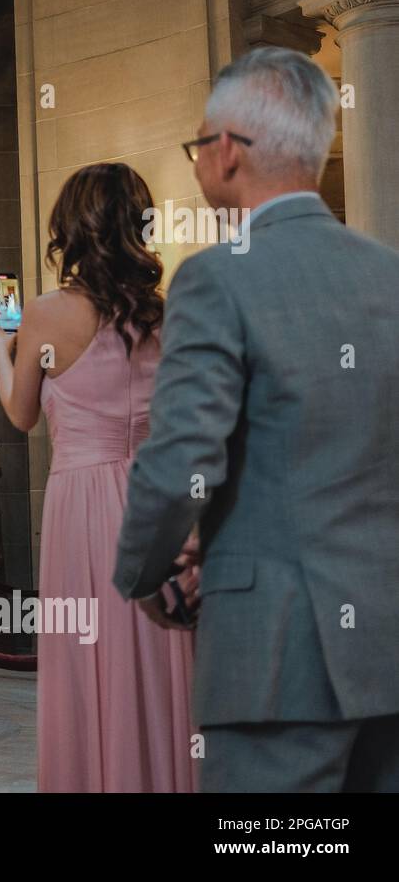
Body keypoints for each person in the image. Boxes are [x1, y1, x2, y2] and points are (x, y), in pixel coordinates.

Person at [114, 46, 399, 792]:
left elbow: (183, 461)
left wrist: (146, 572)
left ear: (228, 153)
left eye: (200, 142)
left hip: (275, 654)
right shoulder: (390, 276)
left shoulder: (218, 276)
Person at [0, 162, 199, 792]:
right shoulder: (167, 314)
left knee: (87, 657)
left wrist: (2, 348)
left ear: (71, 228)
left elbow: (22, 416)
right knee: (158, 660)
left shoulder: (47, 315)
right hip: (156, 501)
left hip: (81, 504)